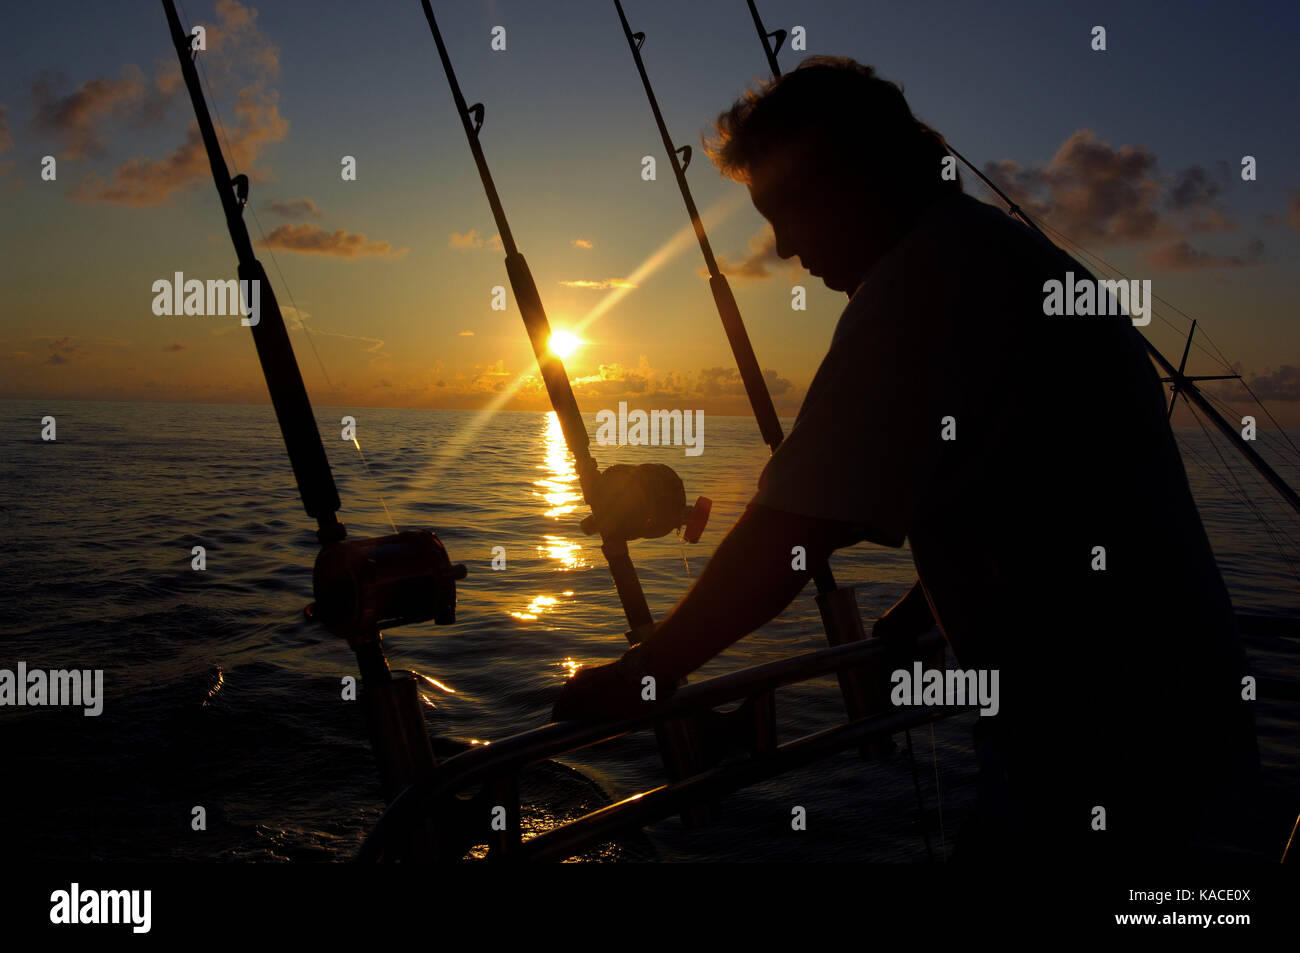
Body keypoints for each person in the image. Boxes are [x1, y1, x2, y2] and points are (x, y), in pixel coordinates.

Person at [553, 56, 1258, 861]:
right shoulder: (992, 255)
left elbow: (791, 534)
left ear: (855, 178)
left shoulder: (923, 286)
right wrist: (924, 607)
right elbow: (1027, 483)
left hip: (1108, 755)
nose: (781, 247)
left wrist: (649, 672)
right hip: (1176, 735)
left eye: (785, 209)